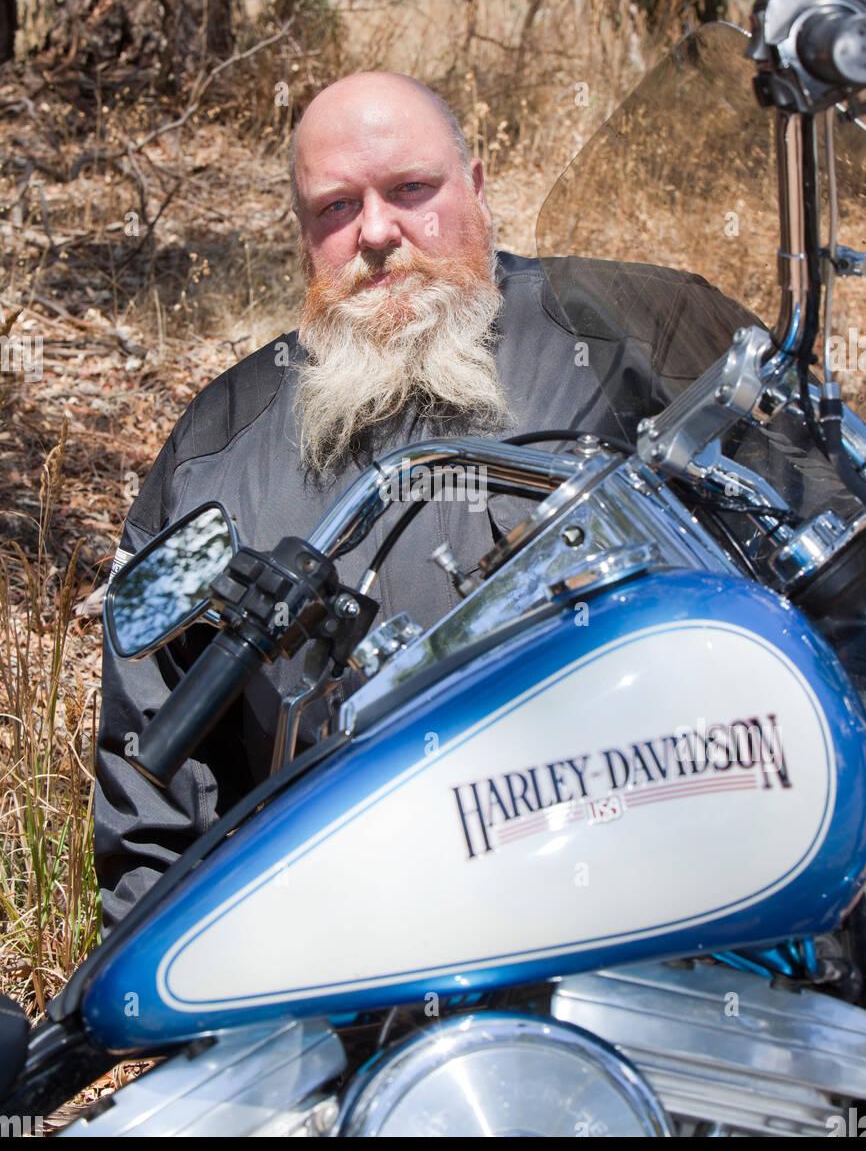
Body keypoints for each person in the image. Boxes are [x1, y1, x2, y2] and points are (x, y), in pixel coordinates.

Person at [93, 70, 622, 931]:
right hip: (337, 959)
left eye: (413, 190)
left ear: (477, 187)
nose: (377, 232)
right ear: (303, 232)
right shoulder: (215, 451)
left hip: (619, 916)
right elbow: (148, 781)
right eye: (337, 208)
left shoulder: (616, 356)